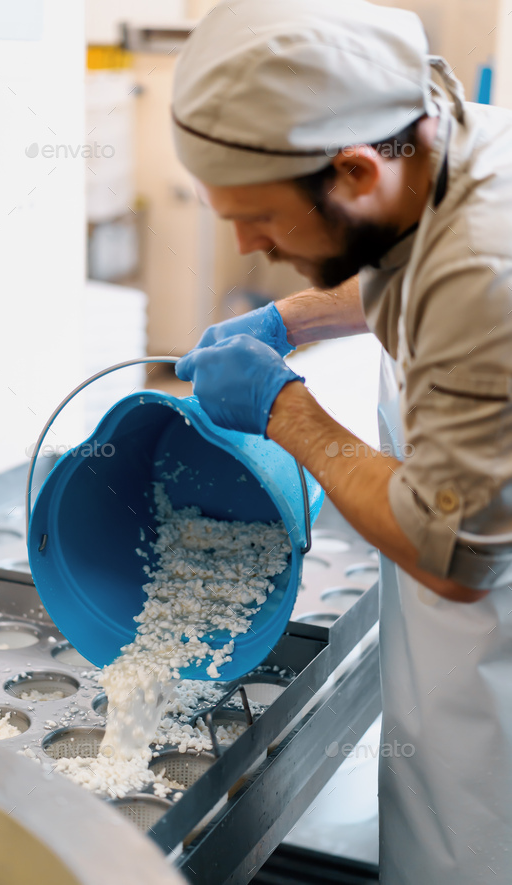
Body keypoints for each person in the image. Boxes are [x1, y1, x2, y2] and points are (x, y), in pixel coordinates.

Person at [170, 1, 512, 883]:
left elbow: (451, 552)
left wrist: (284, 410)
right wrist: (293, 319)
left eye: (261, 218)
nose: (246, 245)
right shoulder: (436, 147)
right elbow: (404, 261)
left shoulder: (487, 272)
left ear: (356, 170)